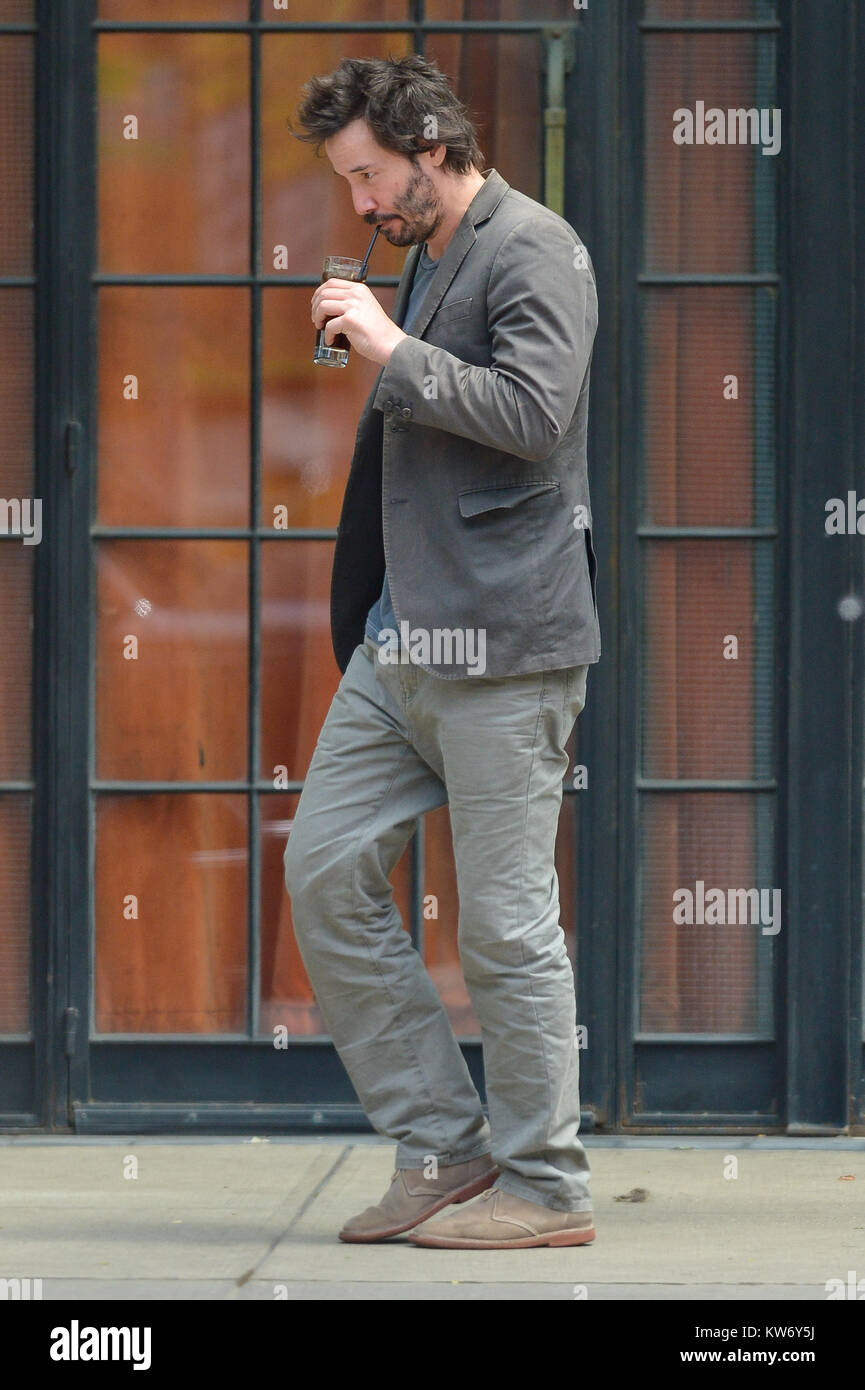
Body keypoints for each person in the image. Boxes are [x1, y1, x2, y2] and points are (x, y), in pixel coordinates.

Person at [284, 54, 600, 1250]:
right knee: (322, 870)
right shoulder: (425, 254)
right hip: (400, 640)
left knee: (507, 928)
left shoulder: (536, 248)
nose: (360, 204)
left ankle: (547, 1188)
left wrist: (385, 347)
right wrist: (387, 331)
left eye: (368, 175)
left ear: (430, 142)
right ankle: (446, 1148)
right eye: (349, 184)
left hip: (506, 644)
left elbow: (534, 414)